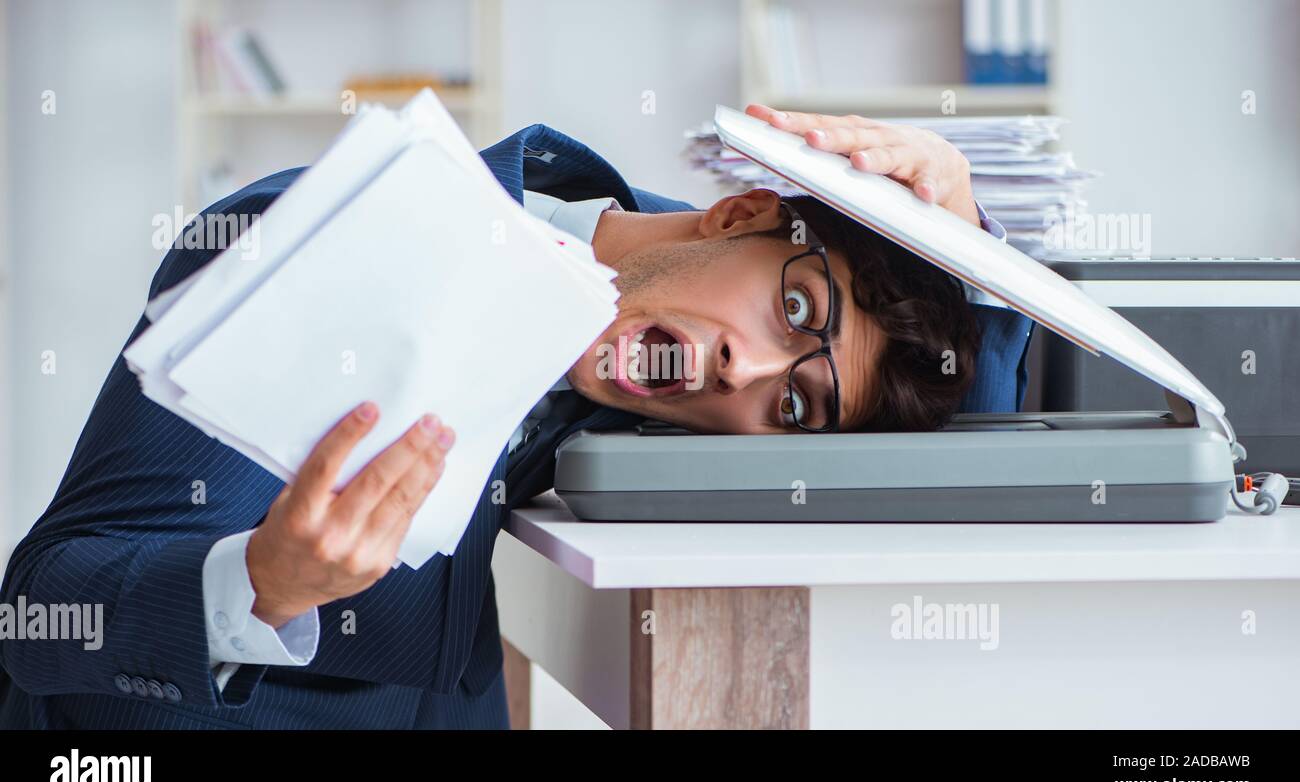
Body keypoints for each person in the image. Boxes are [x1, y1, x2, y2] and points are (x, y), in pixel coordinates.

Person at [0, 106, 1032, 729]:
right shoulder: (316, 242)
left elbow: (945, 461)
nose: (742, 370)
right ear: (739, 213)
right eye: (794, 308)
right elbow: (42, 612)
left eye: (794, 402)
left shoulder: (670, 404)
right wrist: (255, 587)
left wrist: (967, 247)